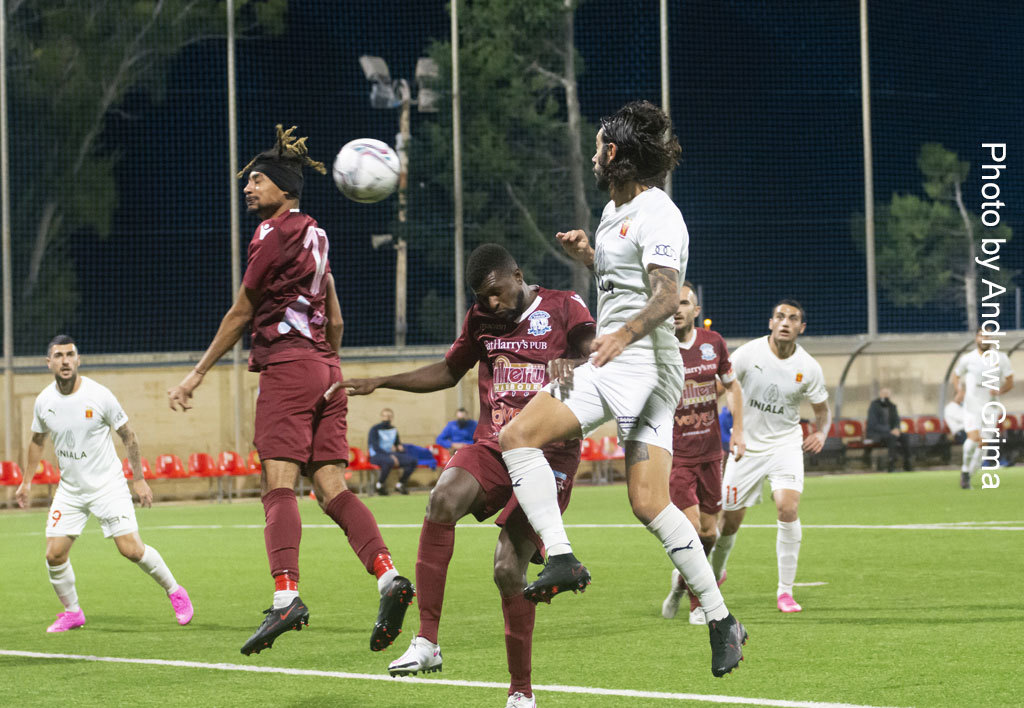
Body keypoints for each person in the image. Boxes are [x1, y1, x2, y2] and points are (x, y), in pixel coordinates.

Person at [496, 100, 746, 677]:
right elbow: (626, 283)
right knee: (650, 503)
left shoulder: (660, 214)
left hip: (638, 361)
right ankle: (721, 619)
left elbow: (665, 295)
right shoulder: (614, 213)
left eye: (599, 143)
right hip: (649, 370)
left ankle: (559, 556)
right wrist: (589, 258)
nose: (592, 152)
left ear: (616, 154)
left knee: (517, 436)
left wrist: (620, 337)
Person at [166, 125, 412, 656]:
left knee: (278, 486)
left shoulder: (270, 236)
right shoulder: (318, 236)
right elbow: (337, 318)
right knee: (332, 487)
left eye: (257, 180)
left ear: (282, 188)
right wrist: (329, 368)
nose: (249, 187)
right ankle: (389, 576)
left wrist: (197, 373)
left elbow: (242, 311)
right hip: (328, 369)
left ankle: (286, 597)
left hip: (289, 367)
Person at [333, 243, 595, 708]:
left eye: (496, 292)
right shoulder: (480, 319)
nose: (489, 303)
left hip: (551, 454)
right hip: (495, 445)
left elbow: (602, 359)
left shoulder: (564, 305)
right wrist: (381, 381)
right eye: (481, 296)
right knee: (441, 499)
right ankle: (427, 643)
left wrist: (573, 365)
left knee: (507, 570)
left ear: (517, 275)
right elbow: (450, 370)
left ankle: (520, 692)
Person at [16, 335, 194, 632]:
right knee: (54, 554)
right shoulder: (44, 401)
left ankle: (175, 591)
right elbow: (37, 439)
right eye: (58, 356)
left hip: (107, 486)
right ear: (49, 363)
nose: (65, 361)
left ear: (78, 360)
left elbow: (129, 436)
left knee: (132, 550)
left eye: (70, 354)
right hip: (70, 489)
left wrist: (139, 480)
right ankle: (72, 612)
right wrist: (25, 482)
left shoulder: (99, 395)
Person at [709, 300, 831, 614]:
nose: (785, 322)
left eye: (793, 318)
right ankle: (714, 574)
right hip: (746, 447)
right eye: (780, 317)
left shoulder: (809, 368)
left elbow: (822, 412)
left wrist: (821, 433)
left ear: (801, 328)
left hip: (785, 446)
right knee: (730, 522)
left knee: (787, 508)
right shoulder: (748, 354)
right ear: (770, 323)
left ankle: (785, 592)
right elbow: (720, 387)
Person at [660, 282, 745, 626]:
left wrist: (737, 429)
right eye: (672, 304)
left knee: (710, 533)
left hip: (711, 453)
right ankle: (699, 603)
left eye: (684, 303)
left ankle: (682, 583)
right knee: (692, 529)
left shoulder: (714, 344)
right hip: (677, 455)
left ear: (696, 310)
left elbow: (732, 384)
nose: (677, 309)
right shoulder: (660, 348)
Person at [951, 328, 1014, 489]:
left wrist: (1000, 390)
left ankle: (968, 475)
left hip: (991, 405)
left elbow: (1009, 381)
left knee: (983, 445)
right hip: (972, 403)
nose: (984, 339)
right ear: (976, 338)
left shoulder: (1001, 358)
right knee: (973, 438)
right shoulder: (968, 358)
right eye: (982, 335)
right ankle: (965, 471)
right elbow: (956, 375)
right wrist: (959, 390)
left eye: (988, 336)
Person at [368, 408, 418, 495]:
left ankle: (400, 485)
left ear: (392, 418)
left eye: (389, 416)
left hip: (391, 454)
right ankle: (379, 485)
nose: (387, 418)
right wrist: (390, 455)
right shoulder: (374, 429)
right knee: (389, 461)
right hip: (377, 455)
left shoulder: (393, 429)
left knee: (413, 461)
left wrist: (399, 447)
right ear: (381, 417)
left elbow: (397, 443)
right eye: (385, 416)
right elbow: (375, 447)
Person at [865, 388, 912, 472]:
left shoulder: (892, 406)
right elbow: (873, 424)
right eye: (884, 393)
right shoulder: (874, 406)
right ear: (880, 394)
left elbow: (897, 420)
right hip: (876, 434)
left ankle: (908, 462)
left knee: (905, 436)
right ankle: (891, 463)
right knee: (892, 437)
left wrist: (896, 428)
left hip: (890, 433)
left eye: (887, 393)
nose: (886, 395)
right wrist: (890, 430)